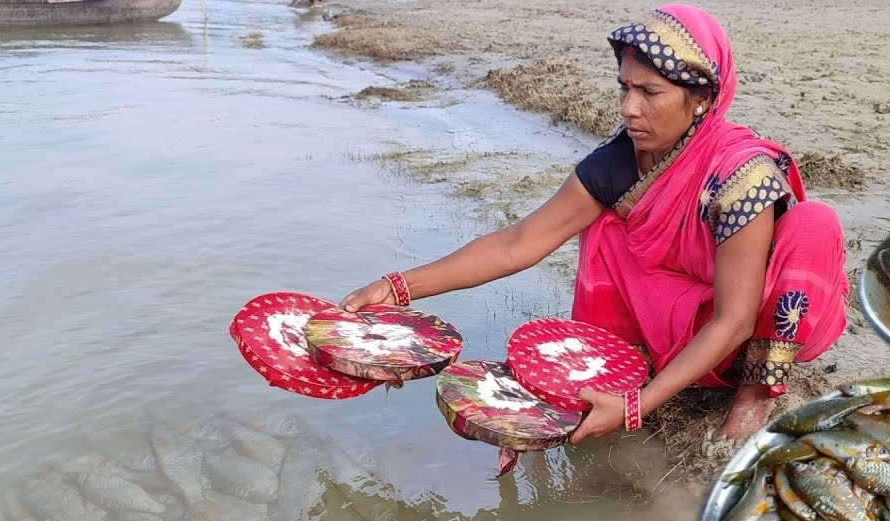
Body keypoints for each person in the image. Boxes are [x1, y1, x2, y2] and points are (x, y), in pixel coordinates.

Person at [340, 4, 849, 445]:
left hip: (745, 331)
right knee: (607, 229)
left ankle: (754, 393)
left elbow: (735, 319)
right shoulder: (620, 163)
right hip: (676, 320)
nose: (629, 108)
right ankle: (626, 363)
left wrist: (637, 407)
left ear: (703, 99)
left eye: (650, 92)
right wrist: (400, 286)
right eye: (624, 87)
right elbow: (518, 243)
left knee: (813, 224)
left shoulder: (742, 176)